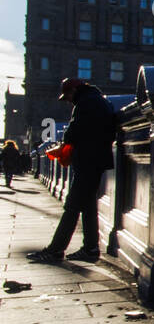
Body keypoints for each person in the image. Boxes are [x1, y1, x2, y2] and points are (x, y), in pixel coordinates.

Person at [27, 78, 117, 264]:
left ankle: (55, 250)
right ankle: (90, 249)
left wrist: (68, 138)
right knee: (87, 206)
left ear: (75, 89)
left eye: (68, 95)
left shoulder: (86, 103)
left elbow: (72, 133)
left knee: (72, 207)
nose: (67, 99)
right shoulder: (99, 100)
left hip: (87, 161)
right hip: (97, 160)